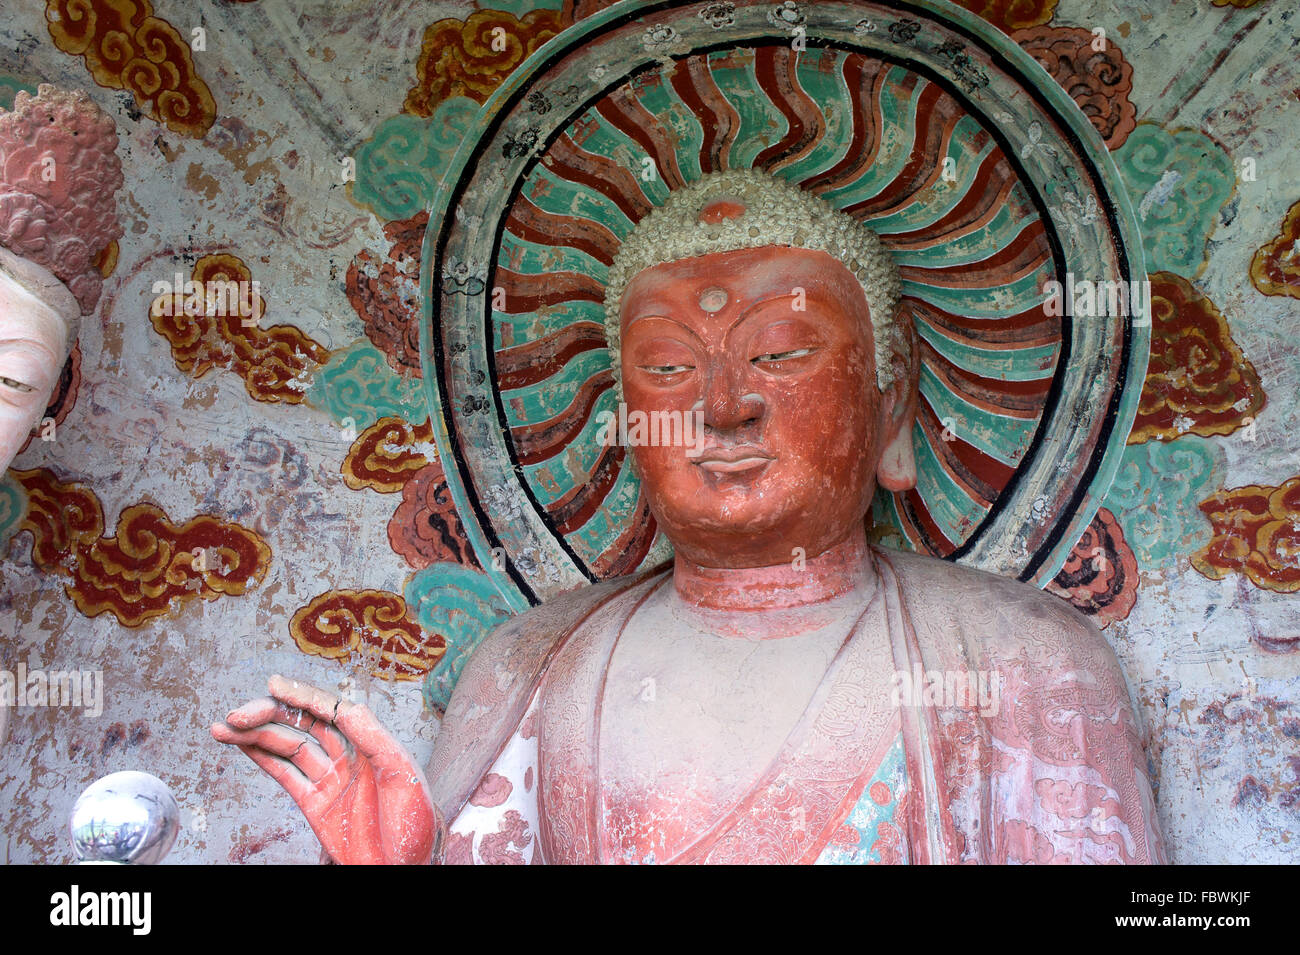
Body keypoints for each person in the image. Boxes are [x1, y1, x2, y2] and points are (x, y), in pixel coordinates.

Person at [213, 170, 1166, 864]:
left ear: (893, 403)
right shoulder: (527, 672)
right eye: (668, 367)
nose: (721, 405)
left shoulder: (1025, 662)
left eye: (782, 354)